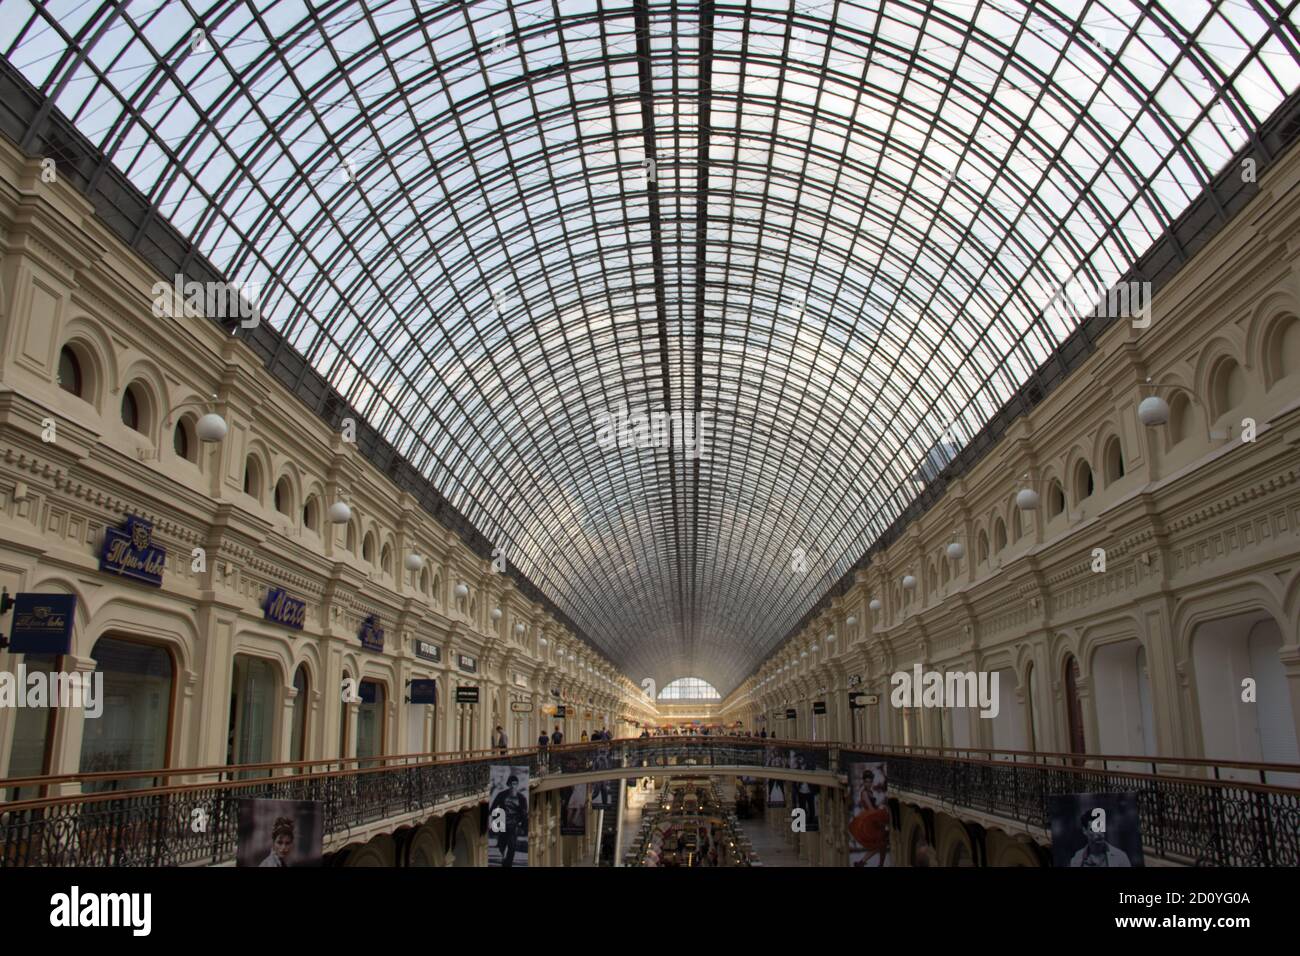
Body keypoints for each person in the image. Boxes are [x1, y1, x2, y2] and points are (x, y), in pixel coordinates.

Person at [488, 774, 528, 867]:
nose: (513, 786)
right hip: (502, 822)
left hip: (513, 824)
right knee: (501, 843)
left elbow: (524, 813)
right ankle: (503, 857)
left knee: (512, 846)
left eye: (515, 784)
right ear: (508, 784)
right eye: (512, 784)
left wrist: (523, 825)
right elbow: (493, 807)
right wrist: (491, 820)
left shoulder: (521, 797)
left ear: (517, 784)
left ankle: (508, 863)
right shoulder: (501, 795)